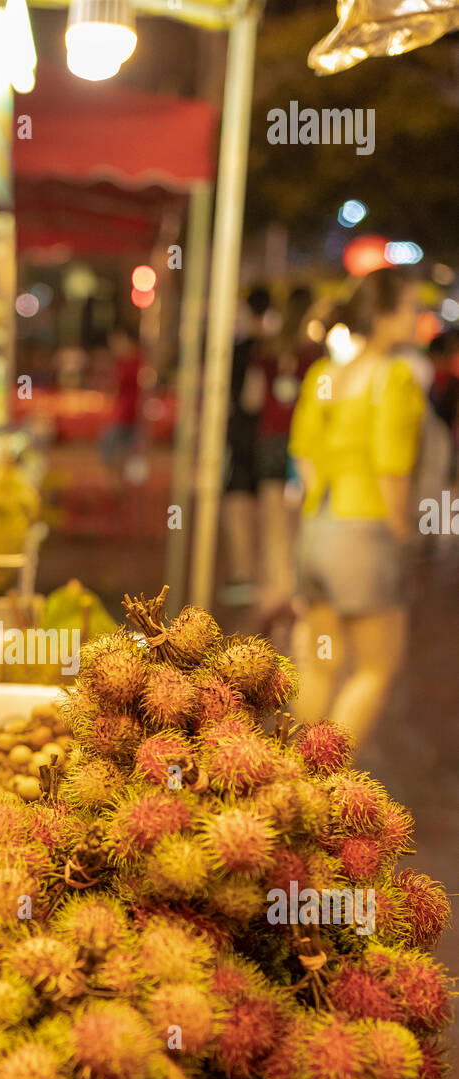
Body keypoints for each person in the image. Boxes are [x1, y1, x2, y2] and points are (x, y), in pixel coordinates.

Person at [289, 267, 425, 744]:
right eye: (410, 306)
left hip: (316, 532)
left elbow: (303, 457)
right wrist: (403, 537)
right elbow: (393, 471)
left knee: (321, 666)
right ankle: (320, 781)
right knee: (375, 668)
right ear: (384, 314)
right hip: (365, 533)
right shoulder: (394, 378)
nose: (417, 317)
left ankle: (287, 774)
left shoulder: (324, 375)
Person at [239, 285, 319, 614]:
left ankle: (274, 588)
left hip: (271, 437)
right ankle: (298, 589)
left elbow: (251, 398)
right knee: (301, 517)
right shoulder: (315, 354)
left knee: (272, 518)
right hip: (304, 442)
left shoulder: (266, 352)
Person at [221, 285, 272, 603]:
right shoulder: (275, 348)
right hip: (271, 437)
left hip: (242, 434)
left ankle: (243, 574)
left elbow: (250, 398)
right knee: (267, 504)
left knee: (237, 501)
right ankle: (265, 572)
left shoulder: (243, 350)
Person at [100, 327, 143, 470]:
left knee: (122, 452)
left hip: (132, 414)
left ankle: (122, 484)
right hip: (121, 413)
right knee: (116, 450)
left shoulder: (138, 362)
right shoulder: (120, 362)